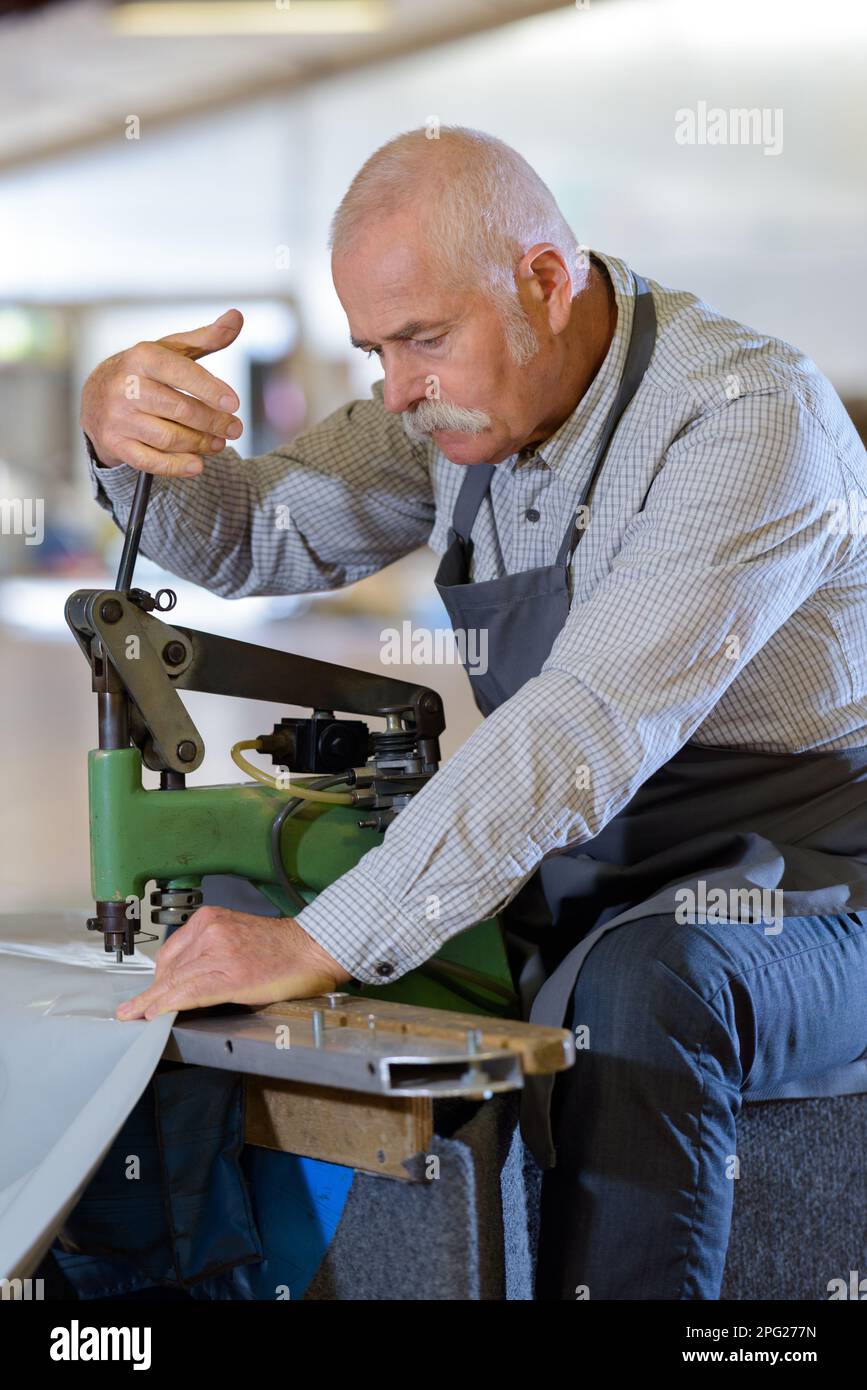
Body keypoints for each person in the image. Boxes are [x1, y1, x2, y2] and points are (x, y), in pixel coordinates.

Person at [80, 126, 867, 1299]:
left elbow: (581, 725)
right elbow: (252, 532)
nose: (398, 390)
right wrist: (122, 439)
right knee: (239, 919)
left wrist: (325, 941)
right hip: (578, 874)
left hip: (806, 896)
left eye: (424, 340)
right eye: (377, 348)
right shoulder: (455, 414)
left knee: (650, 983)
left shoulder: (750, 417)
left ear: (544, 282)